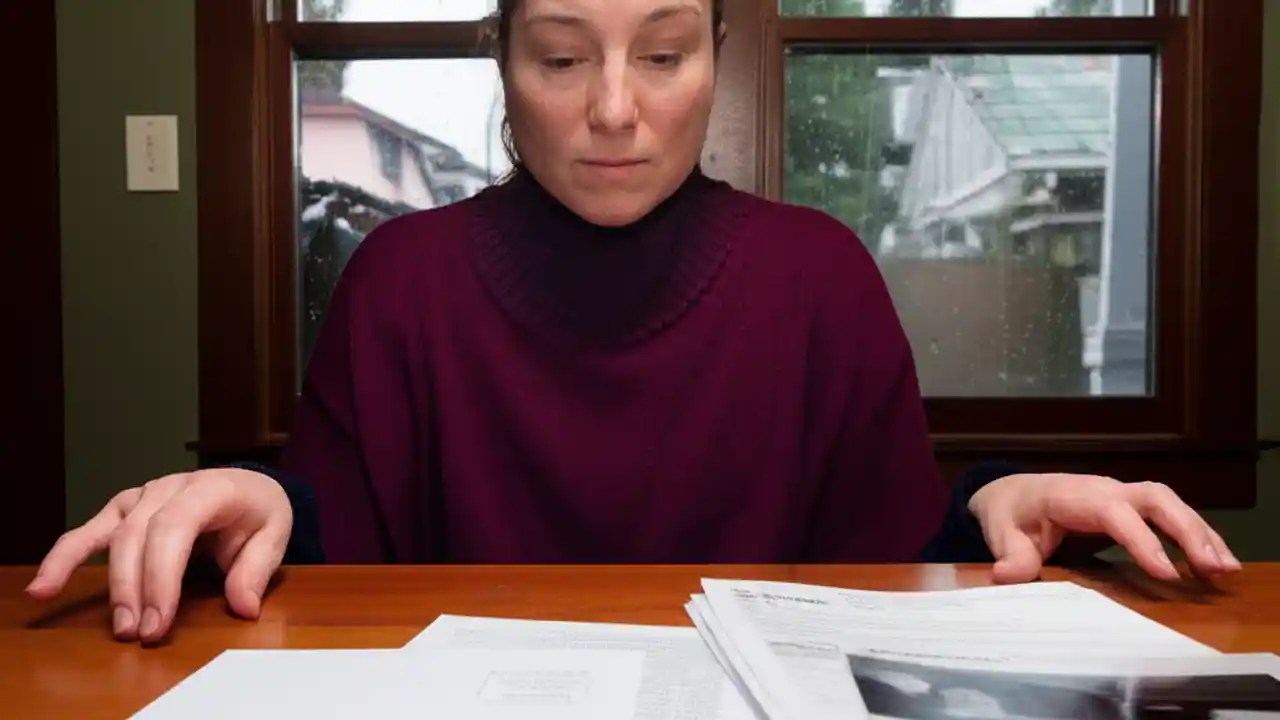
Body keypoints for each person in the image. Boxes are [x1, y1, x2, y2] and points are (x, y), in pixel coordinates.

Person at [27, 0, 1238, 645]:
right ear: (500, 59)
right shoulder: (401, 278)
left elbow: (891, 553)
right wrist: (263, 498)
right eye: (561, 58)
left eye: (661, 53)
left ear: (713, 51)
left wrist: (991, 499)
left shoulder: (815, 275)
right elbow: (337, 533)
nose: (615, 110)